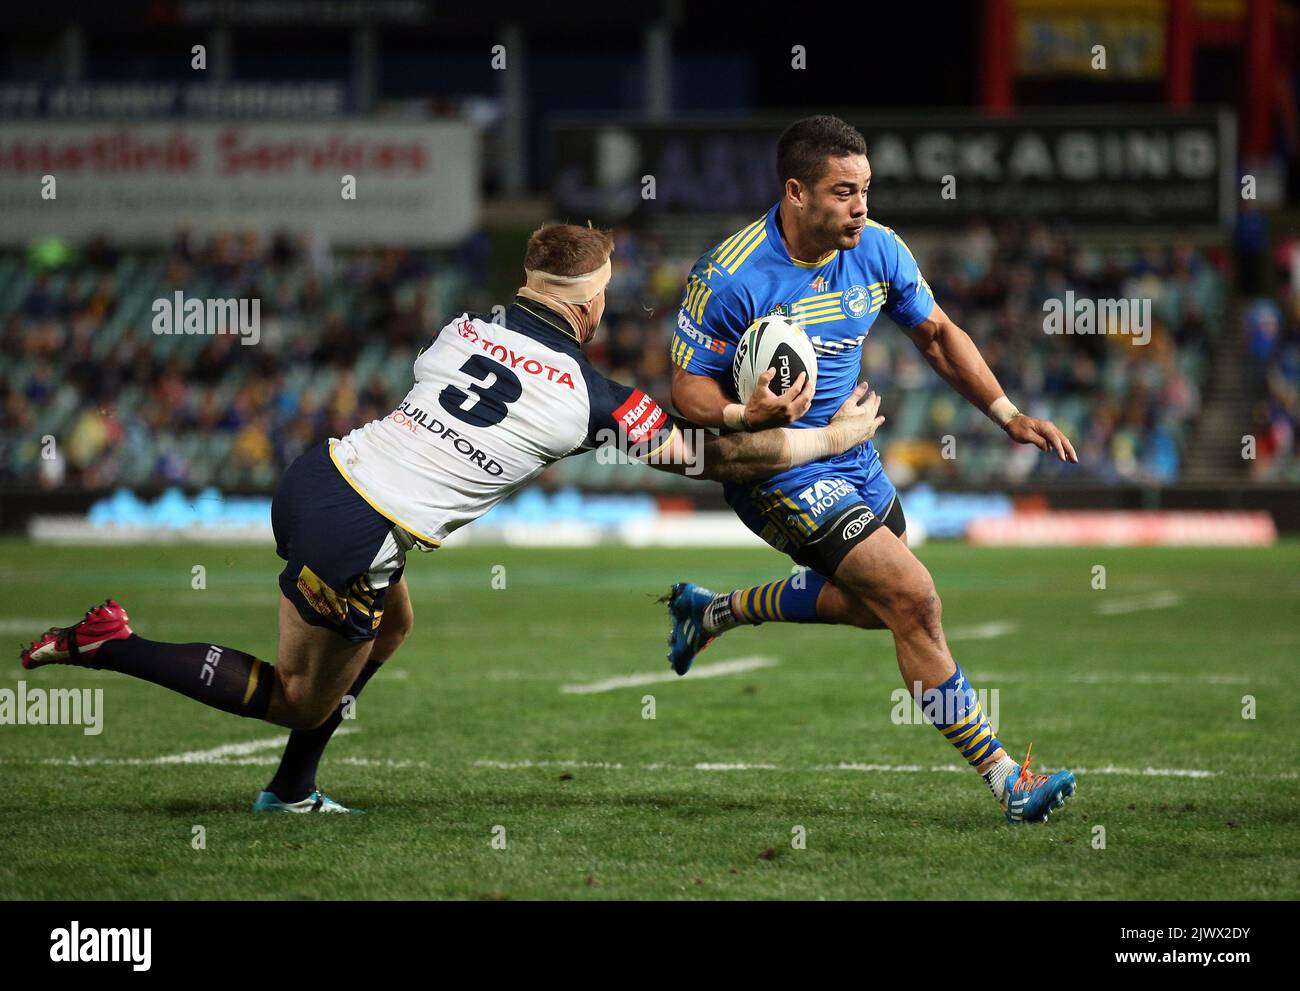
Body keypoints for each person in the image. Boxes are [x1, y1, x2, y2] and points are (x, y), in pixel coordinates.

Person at [21, 222, 886, 813]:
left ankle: (292, 792)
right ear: (588, 306)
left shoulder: (461, 326)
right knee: (293, 696)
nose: (608, 308)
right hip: (358, 534)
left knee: (393, 624)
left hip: (319, 476)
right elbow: (718, 462)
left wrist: (736, 416)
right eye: (607, 295)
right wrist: (825, 433)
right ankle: (109, 642)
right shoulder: (590, 399)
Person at [664, 116, 1079, 824]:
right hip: (776, 467)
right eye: (843, 191)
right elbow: (686, 388)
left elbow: (938, 335)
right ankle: (1008, 779)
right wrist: (746, 417)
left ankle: (715, 610)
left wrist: (1006, 412)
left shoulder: (879, 248)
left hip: (853, 454)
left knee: (872, 604)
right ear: (795, 193)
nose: (861, 205)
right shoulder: (728, 274)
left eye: (866, 190)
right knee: (913, 597)